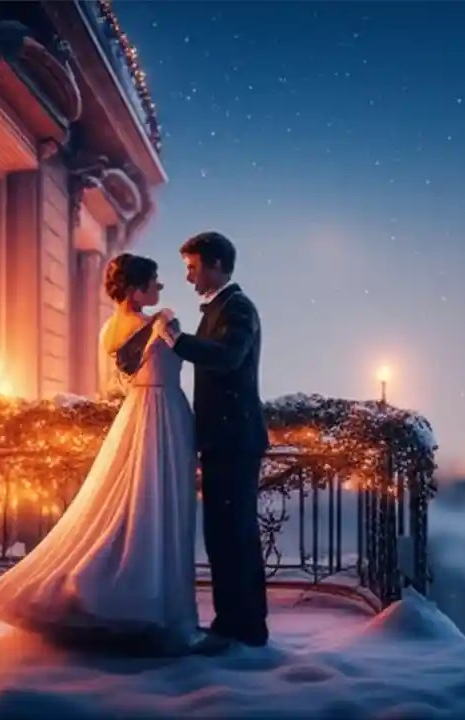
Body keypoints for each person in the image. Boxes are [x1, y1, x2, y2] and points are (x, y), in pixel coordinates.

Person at [0, 253, 203, 655]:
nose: (160, 287)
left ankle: (126, 586)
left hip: (136, 412)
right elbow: (183, 357)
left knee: (134, 501)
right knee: (156, 504)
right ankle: (144, 599)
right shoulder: (161, 322)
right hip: (164, 414)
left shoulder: (110, 329)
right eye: (154, 280)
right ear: (136, 288)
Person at [157, 231, 270, 649]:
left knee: (234, 534)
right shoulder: (221, 308)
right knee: (224, 535)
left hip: (235, 440)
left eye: (192, 268)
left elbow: (228, 357)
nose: (188, 279)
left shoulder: (238, 308)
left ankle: (245, 628)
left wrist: (176, 339)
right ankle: (233, 623)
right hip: (225, 440)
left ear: (216, 265)